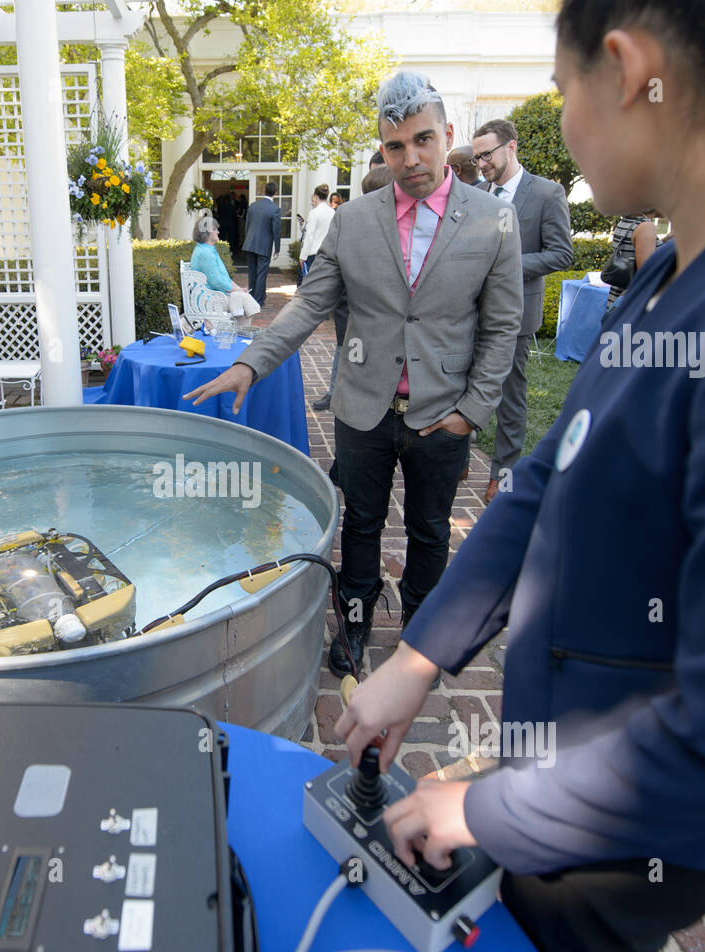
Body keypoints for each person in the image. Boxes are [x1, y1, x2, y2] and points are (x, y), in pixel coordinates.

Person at [334, 0, 705, 952]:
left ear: (626, 69)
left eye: (561, 88)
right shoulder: (684, 267)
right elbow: (550, 479)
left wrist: (492, 807)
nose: (565, 125)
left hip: (619, 839)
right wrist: (420, 655)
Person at [186, 71, 522, 680]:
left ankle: (420, 634)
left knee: (429, 532)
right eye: (395, 146)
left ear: (448, 135)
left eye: (423, 140)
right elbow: (309, 305)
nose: (410, 158)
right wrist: (249, 363)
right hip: (363, 408)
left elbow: (502, 328)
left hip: (442, 415)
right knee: (361, 525)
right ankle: (356, 622)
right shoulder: (354, 219)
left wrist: (472, 411)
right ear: (382, 149)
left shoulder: (493, 220)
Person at [471, 118, 575, 505]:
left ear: (511, 146)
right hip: (469, 309)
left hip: (516, 313)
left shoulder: (547, 193)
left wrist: (506, 264)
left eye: (486, 155)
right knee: (461, 383)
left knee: (508, 395)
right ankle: (459, 457)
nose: (481, 163)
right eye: (477, 157)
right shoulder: (476, 193)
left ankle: (503, 473)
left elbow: (561, 253)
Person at [312, 164, 394, 413]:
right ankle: (335, 393)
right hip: (347, 310)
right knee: (344, 352)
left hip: (376, 327)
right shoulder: (353, 224)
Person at [189, 215, 261, 319]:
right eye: (215, 229)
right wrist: (236, 291)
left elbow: (225, 277)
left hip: (214, 296)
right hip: (207, 301)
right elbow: (216, 281)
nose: (218, 232)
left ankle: (243, 326)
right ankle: (249, 322)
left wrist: (238, 289)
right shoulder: (205, 253)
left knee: (240, 298)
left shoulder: (209, 249)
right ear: (207, 232)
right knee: (240, 298)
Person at [604, 210, 658, 308]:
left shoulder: (627, 222)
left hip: (617, 298)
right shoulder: (646, 227)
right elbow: (647, 274)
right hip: (633, 304)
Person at [241, 182, 282, 308]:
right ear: (276, 193)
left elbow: (247, 225)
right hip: (264, 245)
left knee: (252, 272)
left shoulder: (253, 206)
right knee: (261, 274)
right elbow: (276, 231)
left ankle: (255, 297)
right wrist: (277, 249)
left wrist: (247, 240)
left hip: (250, 243)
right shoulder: (274, 209)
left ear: (265, 190)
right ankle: (257, 301)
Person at [301, 185, 336, 287]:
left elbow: (309, 236)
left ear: (316, 196)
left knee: (310, 284)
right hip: (327, 253)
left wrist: (303, 256)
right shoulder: (332, 212)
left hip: (313, 253)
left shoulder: (314, 213)